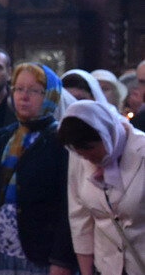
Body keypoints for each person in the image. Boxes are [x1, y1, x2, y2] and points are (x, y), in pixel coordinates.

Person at [0, 63, 76, 275]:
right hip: (1, 250)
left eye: (34, 91)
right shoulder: (6, 135)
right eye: (18, 89)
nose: (24, 96)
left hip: (40, 253)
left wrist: (61, 259)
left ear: (50, 95)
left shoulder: (60, 140)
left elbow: (67, 204)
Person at [58, 100, 145, 275]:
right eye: (79, 151)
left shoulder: (141, 152)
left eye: (90, 148)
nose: (88, 157)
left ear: (106, 133)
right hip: (106, 266)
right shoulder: (80, 156)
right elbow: (79, 218)